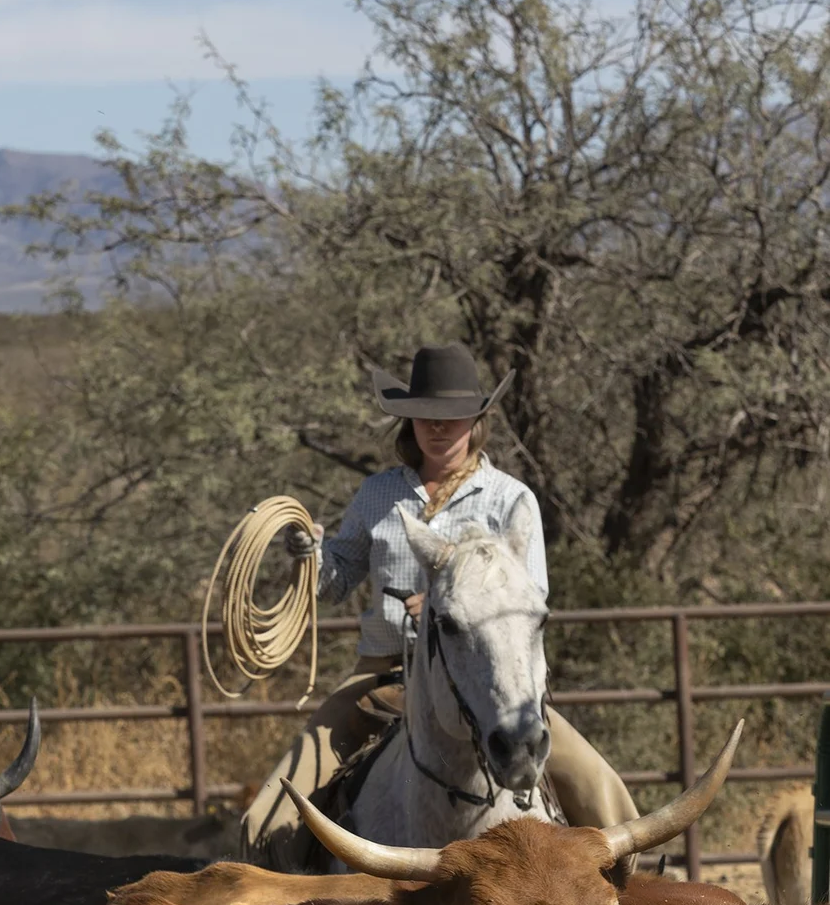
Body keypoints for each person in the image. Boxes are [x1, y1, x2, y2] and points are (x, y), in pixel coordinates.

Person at [244, 342, 636, 849]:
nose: (438, 427)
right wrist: (309, 555)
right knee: (265, 820)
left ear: (476, 419)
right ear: (408, 421)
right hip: (382, 672)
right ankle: (273, 903)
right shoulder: (377, 494)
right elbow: (336, 581)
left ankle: (635, 881)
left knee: (601, 790)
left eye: (452, 416)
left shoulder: (512, 499)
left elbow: (530, 598)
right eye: (424, 415)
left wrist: (448, 607)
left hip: (489, 675)